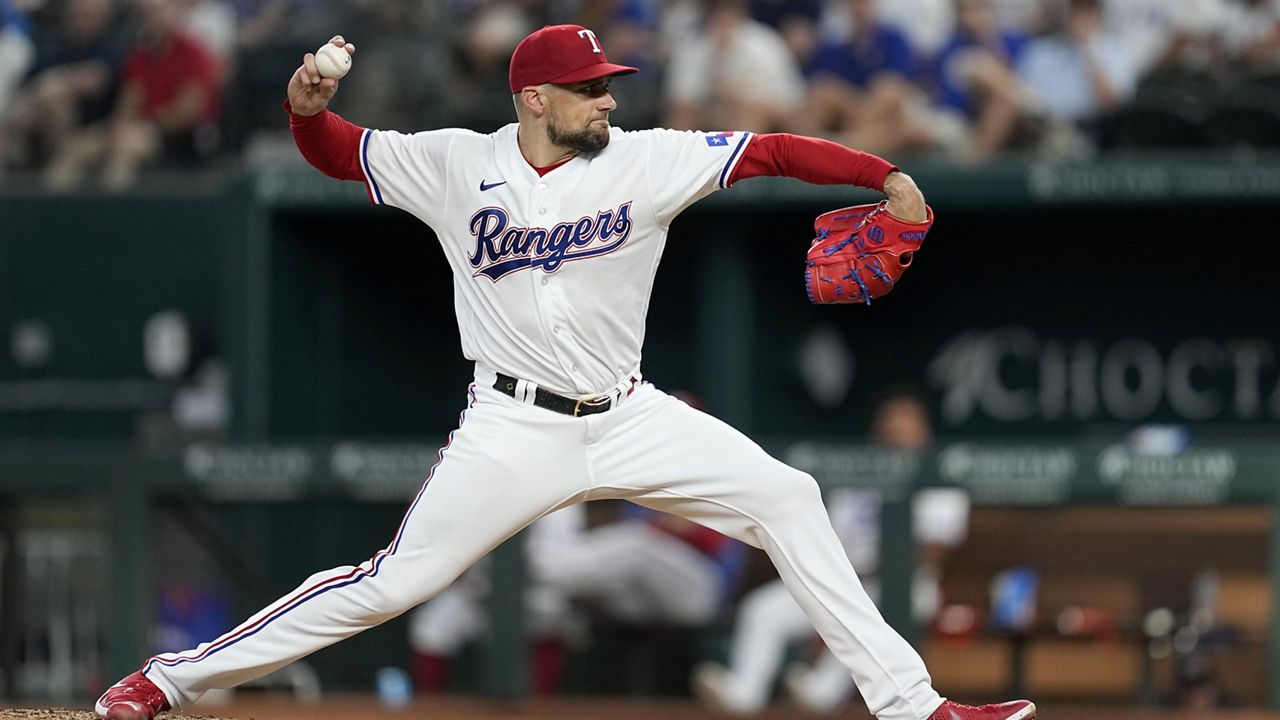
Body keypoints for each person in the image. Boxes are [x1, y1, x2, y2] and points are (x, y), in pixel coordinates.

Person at [94, 25, 1035, 720]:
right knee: (389, 585)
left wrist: (884, 177)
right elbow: (338, 154)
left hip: (629, 414)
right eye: (588, 88)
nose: (609, 99)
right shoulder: (455, 164)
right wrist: (306, 110)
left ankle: (913, 706)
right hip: (513, 428)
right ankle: (166, 679)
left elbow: (775, 150)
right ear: (534, 100)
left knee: (787, 496)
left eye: (608, 84)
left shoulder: (649, 160)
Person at [691, 390, 971, 715]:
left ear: (924, 431)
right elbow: (826, 539)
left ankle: (821, 691)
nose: (896, 431)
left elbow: (936, 552)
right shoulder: (858, 477)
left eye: (905, 424)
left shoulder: (940, 477)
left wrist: (868, 573)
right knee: (764, 609)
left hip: (911, 584)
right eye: (890, 424)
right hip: (844, 577)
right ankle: (745, 692)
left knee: (879, 603)